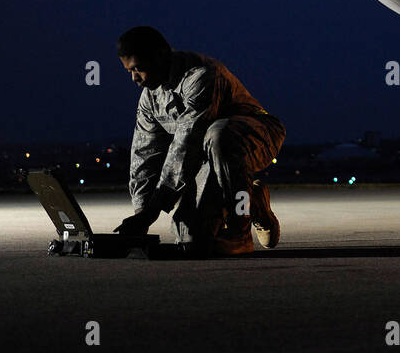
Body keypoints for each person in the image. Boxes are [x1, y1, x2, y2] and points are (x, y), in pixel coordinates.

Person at [113, 26, 284, 256]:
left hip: (256, 136)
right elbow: (144, 155)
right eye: (129, 71)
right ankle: (252, 200)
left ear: (161, 55)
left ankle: (239, 231)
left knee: (219, 134)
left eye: (139, 69)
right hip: (207, 154)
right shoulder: (150, 99)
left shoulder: (201, 75)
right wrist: (141, 214)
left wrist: (153, 210)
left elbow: (186, 144)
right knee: (193, 237)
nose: (134, 78)